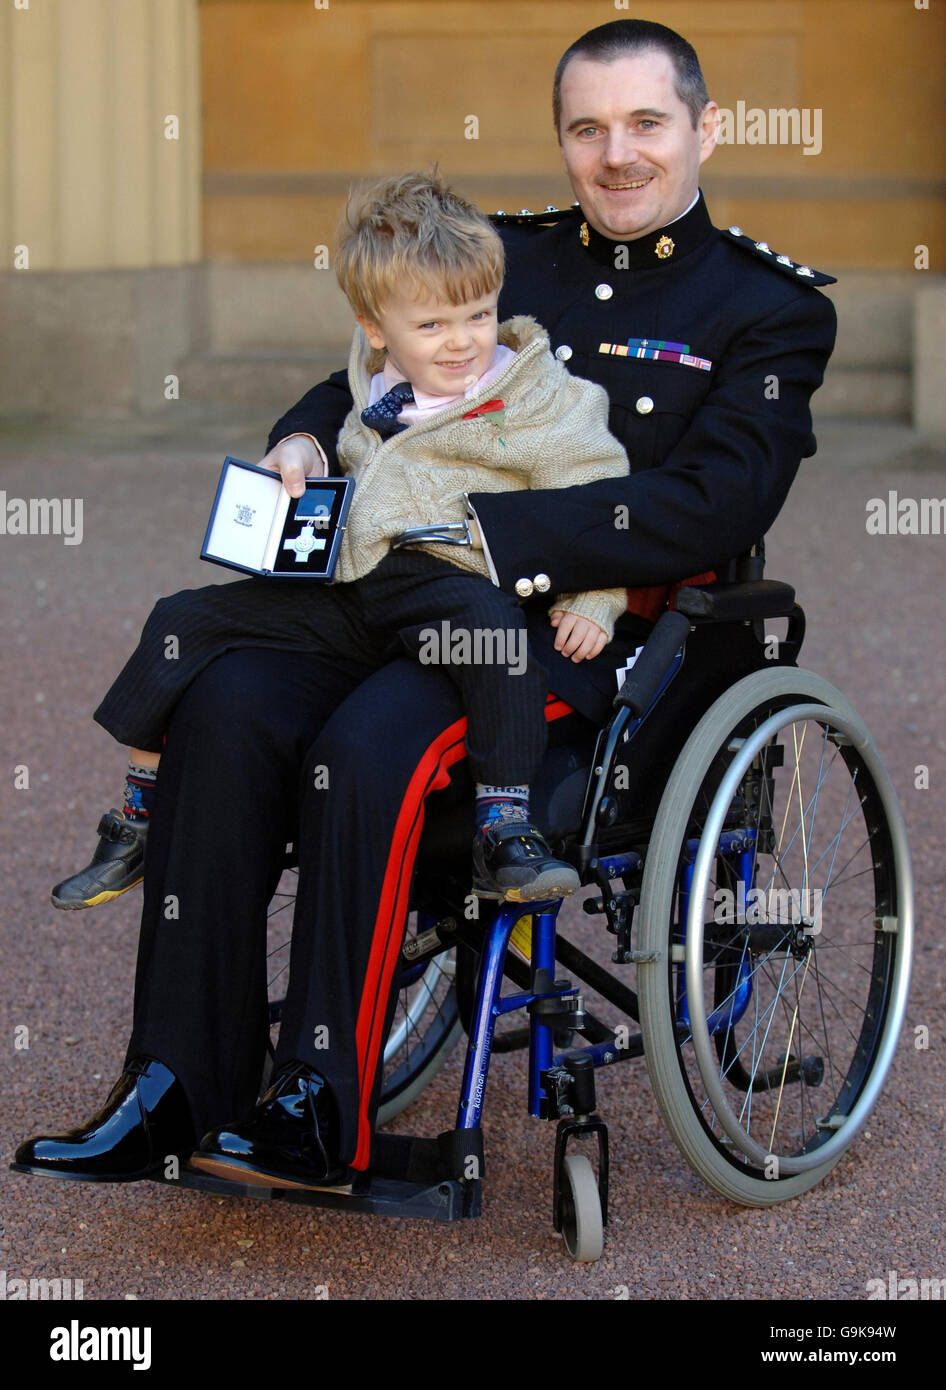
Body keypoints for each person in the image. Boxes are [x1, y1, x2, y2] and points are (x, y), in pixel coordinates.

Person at [13, 18, 837, 1193]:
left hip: (581, 635)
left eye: (646, 124)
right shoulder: (506, 253)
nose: (617, 154)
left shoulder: (767, 306)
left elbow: (716, 502)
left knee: (372, 741)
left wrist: (488, 534)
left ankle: (314, 1105)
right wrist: (303, 439)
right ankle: (173, 1085)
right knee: (225, 702)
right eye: (588, 128)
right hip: (390, 595)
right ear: (562, 139)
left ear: (705, 129)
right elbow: (361, 371)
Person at [49, 169, 630, 909]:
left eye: (479, 315)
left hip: (448, 581)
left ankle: (504, 829)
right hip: (349, 587)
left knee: (496, 638)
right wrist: (304, 447)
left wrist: (596, 596)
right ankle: (139, 814)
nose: (462, 342)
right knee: (180, 619)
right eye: (432, 326)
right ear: (376, 331)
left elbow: (600, 495)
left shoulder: (534, 395)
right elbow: (328, 431)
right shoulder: (372, 385)